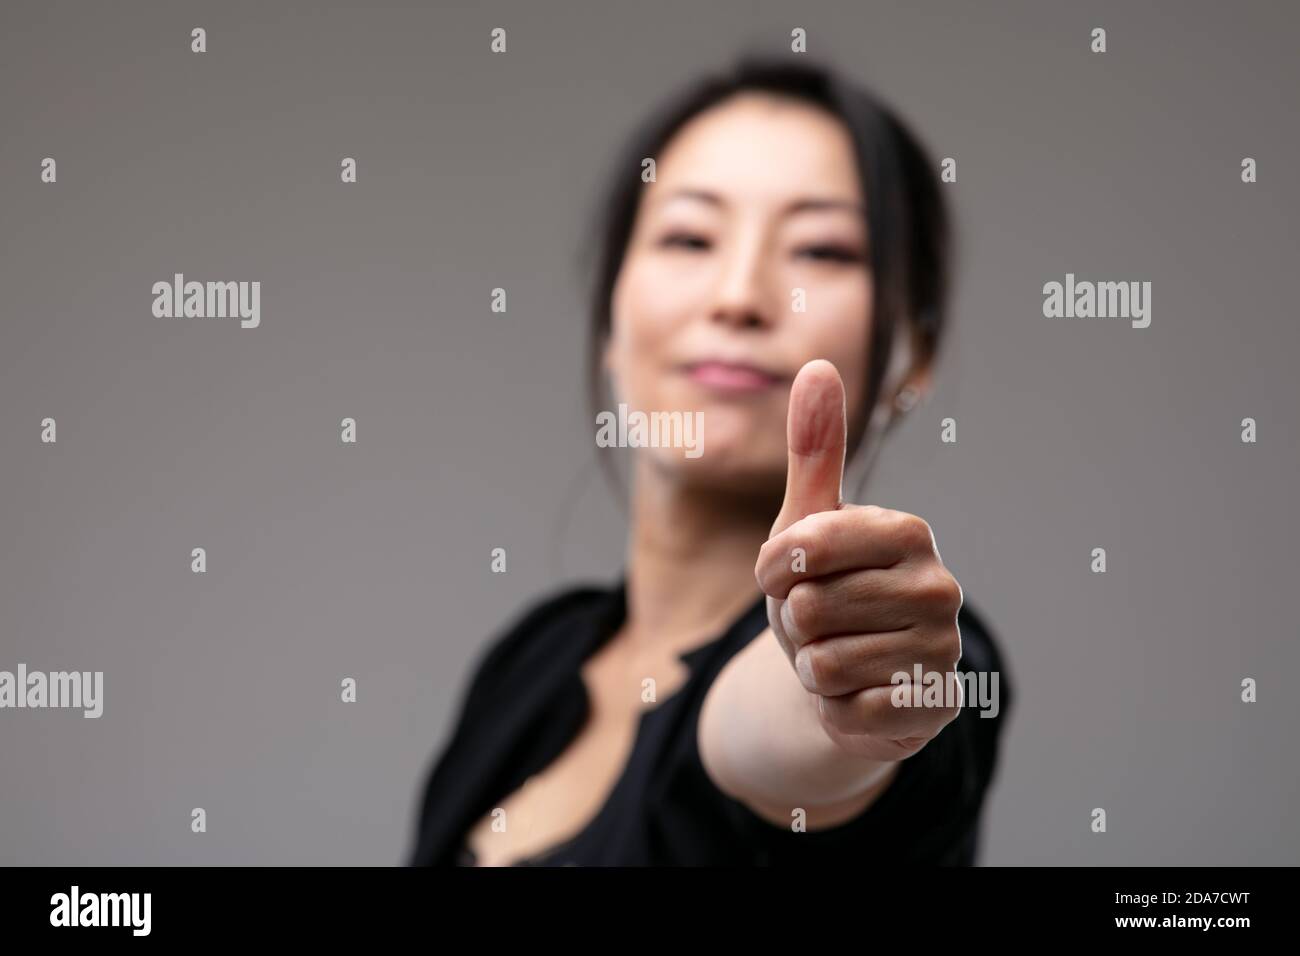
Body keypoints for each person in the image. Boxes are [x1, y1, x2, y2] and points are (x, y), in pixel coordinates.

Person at [408, 54, 1013, 866]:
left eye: (823, 250)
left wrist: (836, 686)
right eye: (688, 236)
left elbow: (782, 728)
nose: (738, 295)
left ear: (914, 352)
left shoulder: (905, 642)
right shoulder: (532, 660)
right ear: (613, 318)